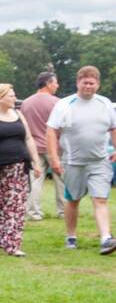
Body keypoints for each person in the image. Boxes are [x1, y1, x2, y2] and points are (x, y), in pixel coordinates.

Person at [46, 66, 116, 255]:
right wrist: (54, 157)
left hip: (99, 160)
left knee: (100, 198)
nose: (88, 86)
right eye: (84, 82)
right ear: (78, 83)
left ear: (97, 84)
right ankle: (71, 236)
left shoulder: (105, 103)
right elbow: (52, 131)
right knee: (73, 199)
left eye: (92, 83)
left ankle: (106, 239)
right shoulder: (65, 104)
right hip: (73, 161)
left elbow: (113, 127)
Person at [0, 83, 41, 256]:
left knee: (16, 207)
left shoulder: (18, 114)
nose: (14, 98)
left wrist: (36, 162)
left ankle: (12, 245)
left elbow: (28, 139)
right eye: (11, 95)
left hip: (18, 169)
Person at [21, 71, 63, 220]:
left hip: (33, 148)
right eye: (55, 82)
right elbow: (62, 126)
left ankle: (33, 212)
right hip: (55, 148)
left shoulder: (26, 102)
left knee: (34, 180)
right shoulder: (57, 103)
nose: (57, 85)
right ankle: (63, 211)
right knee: (62, 180)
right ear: (48, 83)